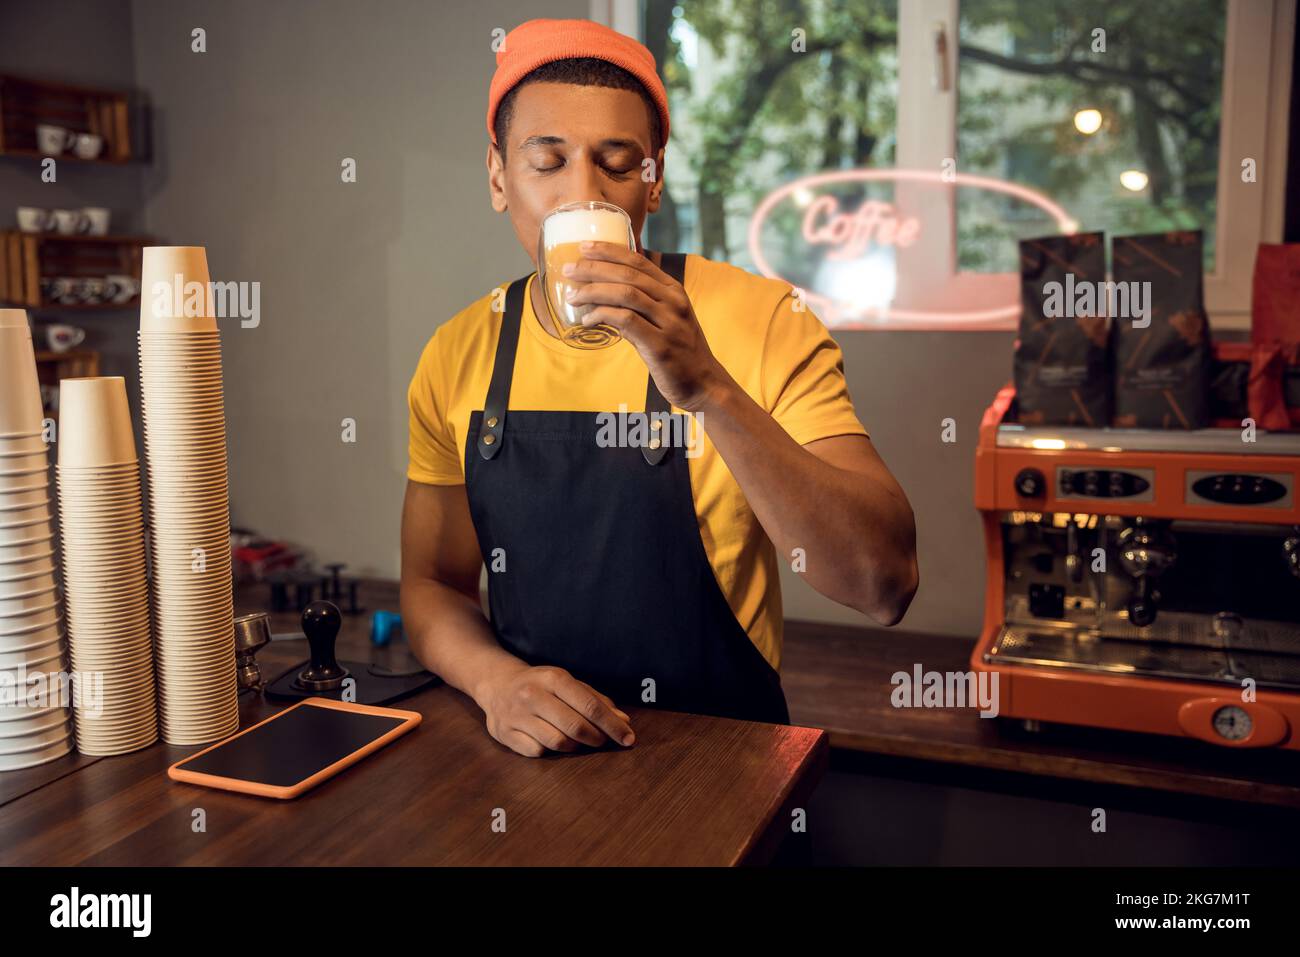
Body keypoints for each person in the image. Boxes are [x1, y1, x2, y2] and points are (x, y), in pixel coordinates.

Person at [401, 17, 917, 757]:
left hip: (725, 763)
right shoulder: (458, 352)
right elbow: (433, 585)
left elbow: (884, 583)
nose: (585, 195)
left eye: (616, 162)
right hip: (530, 767)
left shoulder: (764, 320)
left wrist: (709, 387)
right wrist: (496, 683)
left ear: (654, 179)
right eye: (547, 162)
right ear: (497, 176)